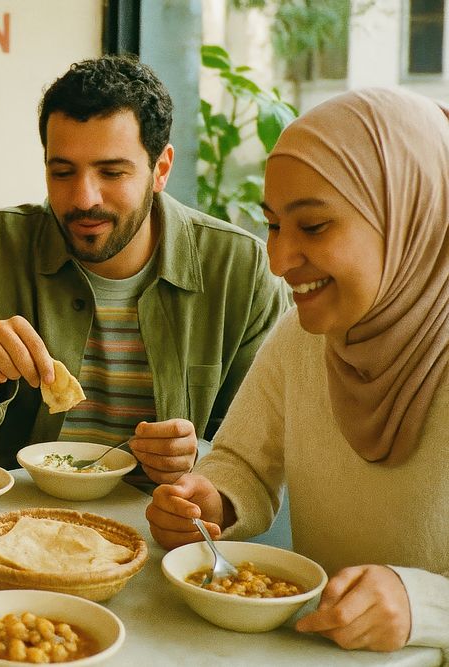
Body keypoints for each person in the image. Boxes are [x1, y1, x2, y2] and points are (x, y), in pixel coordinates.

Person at [146, 88, 449, 654]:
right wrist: (210, 502)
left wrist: (424, 605)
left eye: (312, 227)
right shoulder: (302, 337)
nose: (279, 260)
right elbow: (243, 465)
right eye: (274, 225)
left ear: (411, 215)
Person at [0, 55, 289, 485]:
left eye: (111, 172)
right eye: (62, 172)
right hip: (16, 527)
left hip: (168, 530)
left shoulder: (239, 268)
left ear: (160, 169)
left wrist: (198, 455)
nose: (83, 198)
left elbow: (263, 450)